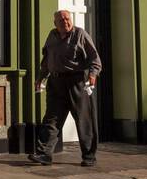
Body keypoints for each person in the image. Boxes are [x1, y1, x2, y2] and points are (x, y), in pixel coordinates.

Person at [29, 9, 102, 167]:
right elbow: (47, 59)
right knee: (51, 119)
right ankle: (44, 154)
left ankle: (89, 156)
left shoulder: (80, 34)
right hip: (56, 83)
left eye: (67, 19)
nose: (65, 22)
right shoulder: (52, 36)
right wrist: (40, 77)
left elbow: (94, 58)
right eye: (61, 20)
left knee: (84, 120)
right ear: (55, 23)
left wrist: (93, 74)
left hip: (77, 82)